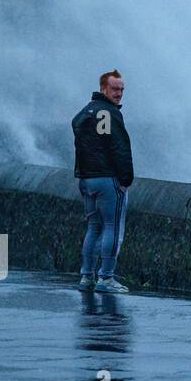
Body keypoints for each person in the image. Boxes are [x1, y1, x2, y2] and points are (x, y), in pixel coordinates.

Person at [71, 69, 134, 294]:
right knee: (112, 228)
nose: (119, 94)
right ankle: (106, 278)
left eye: (121, 90)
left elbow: (79, 128)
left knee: (93, 227)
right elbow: (119, 148)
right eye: (115, 89)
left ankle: (86, 276)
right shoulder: (108, 113)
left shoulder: (85, 112)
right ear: (103, 88)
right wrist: (126, 179)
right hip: (108, 181)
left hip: (86, 180)